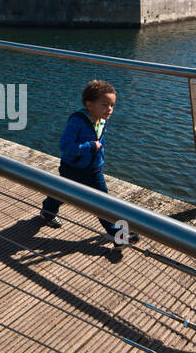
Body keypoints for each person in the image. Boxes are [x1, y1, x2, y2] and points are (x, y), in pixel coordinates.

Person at [40, 80, 140, 245]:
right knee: (62, 193)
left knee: (102, 201)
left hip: (94, 169)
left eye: (112, 105)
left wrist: (100, 158)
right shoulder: (77, 121)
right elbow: (65, 146)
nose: (109, 109)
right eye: (105, 104)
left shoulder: (102, 119)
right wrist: (90, 147)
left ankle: (117, 234)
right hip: (72, 168)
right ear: (89, 104)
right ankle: (48, 211)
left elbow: (101, 142)